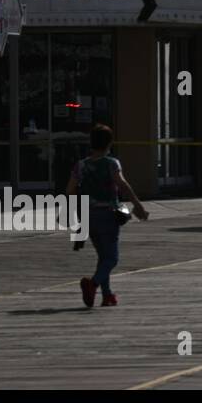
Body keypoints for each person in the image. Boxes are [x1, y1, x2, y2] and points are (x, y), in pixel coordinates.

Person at [66, 124, 148, 308]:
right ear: (109, 143)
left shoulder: (81, 165)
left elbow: (70, 190)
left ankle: (107, 295)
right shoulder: (112, 163)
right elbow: (122, 185)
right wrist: (138, 204)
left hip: (88, 217)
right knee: (112, 258)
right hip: (108, 215)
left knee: (103, 256)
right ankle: (92, 284)